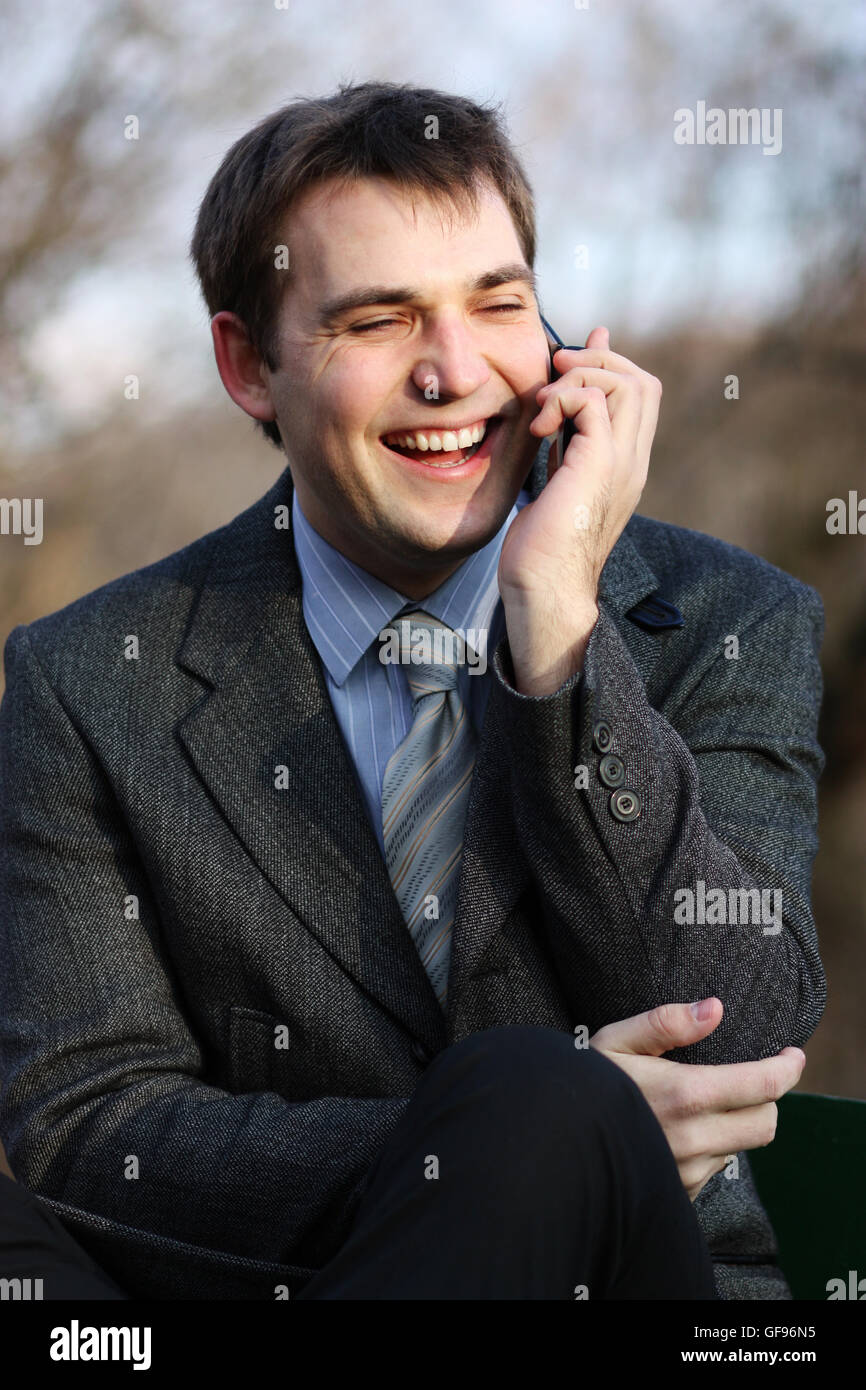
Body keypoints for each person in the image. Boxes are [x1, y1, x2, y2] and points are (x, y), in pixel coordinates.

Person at [0, 81, 824, 1301]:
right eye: (378, 321)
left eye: (496, 303)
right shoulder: (80, 681)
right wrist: (513, 1149)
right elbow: (84, 1129)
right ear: (248, 365)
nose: (453, 373)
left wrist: (557, 640)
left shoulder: (728, 623)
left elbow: (737, 1033)